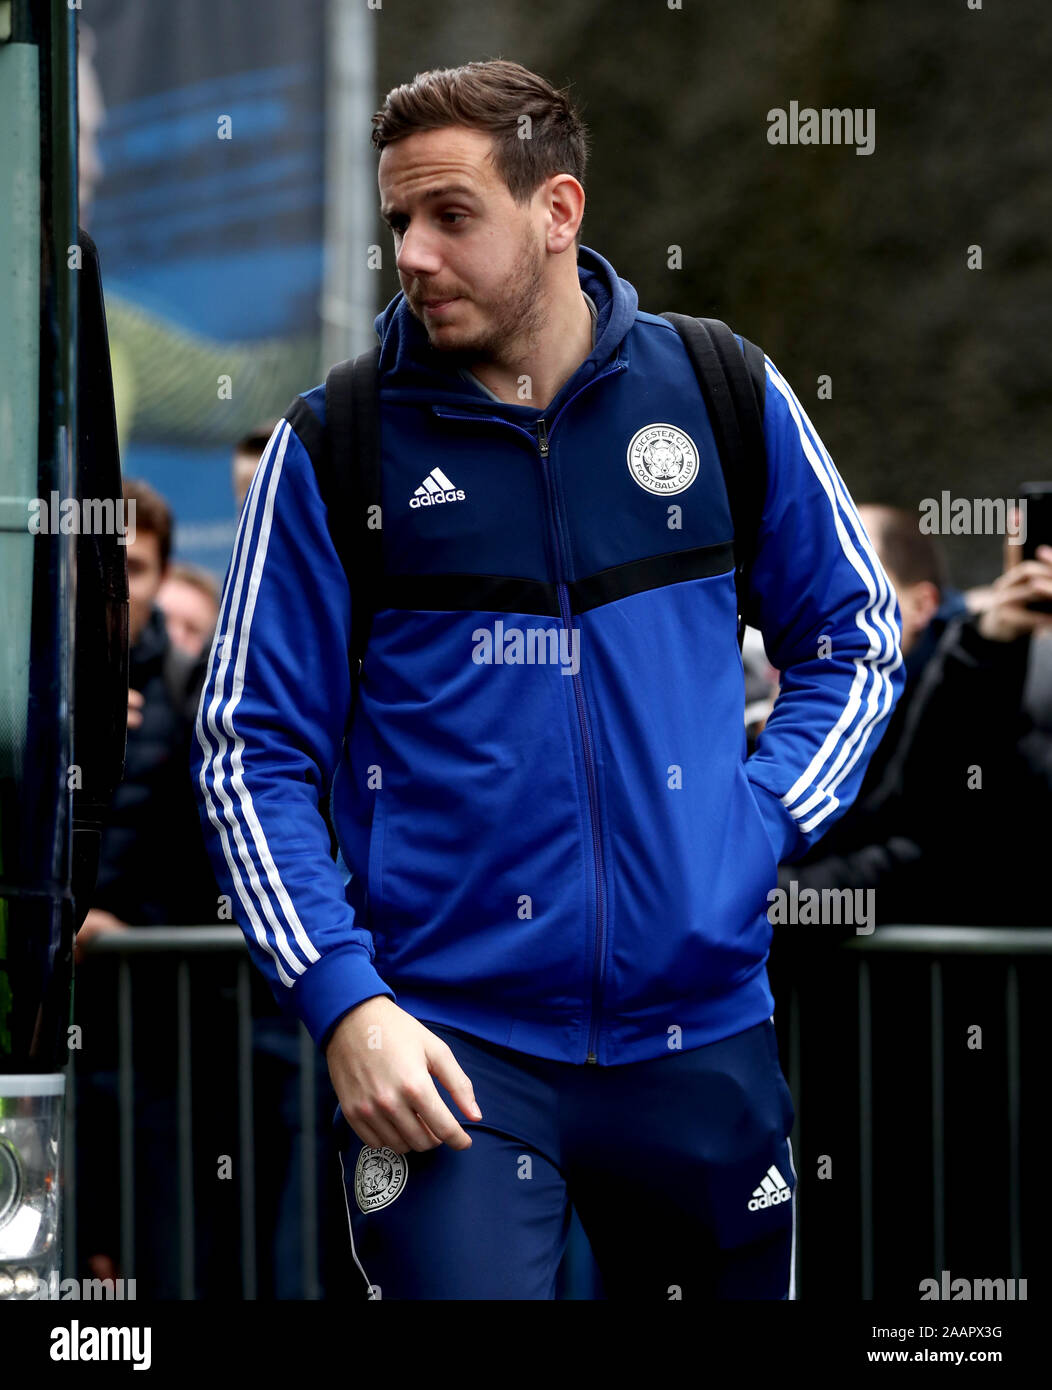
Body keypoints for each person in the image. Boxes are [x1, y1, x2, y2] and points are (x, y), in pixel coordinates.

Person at [192, 59, 904, 1301]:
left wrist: (755, 820)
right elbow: (249, 752)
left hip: (702, 1036)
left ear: (557, 211)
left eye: (449, 214)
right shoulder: (334, 445)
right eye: (397, 220)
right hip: (451, 1057)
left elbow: (857, 637)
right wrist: (342, 999)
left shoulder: (720, 387)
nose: (411, 251)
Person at [775, 504, 1052, 926]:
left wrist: (765, 905)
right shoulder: (813, 704)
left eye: (848, 580)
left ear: (922, 604)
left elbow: (928, 850)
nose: (816, 605)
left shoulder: (973, 682)